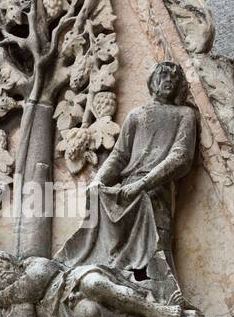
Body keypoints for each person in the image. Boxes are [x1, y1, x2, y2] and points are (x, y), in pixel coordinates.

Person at [59, 61, 197, 303]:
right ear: (152, 81)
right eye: (164, 76)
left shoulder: (185, 115)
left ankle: (167, 299)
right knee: (118, 249)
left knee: (156, 244)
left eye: (174, 80)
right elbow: (120, 156)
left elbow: (181, 156)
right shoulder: (137, 115)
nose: (168, 82)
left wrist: (143, 184)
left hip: (155, 191)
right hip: (125, 193)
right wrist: (98, 181)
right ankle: (121, 295)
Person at [0, 249, 193, 317]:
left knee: (95, 285)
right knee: (90, 312)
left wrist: (2, 296)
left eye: (0, 265)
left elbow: (38, 281)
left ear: (13, 262)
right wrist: (10, 305)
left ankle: (155, 310)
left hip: (71, 280)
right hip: (61, 310)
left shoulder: (34, 264)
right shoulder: (11, 307)